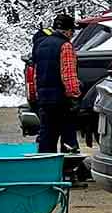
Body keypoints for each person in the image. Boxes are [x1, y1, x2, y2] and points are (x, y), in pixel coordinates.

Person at [33, 13, 81, 153]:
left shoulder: (41, 45)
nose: (72, 35)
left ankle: (46, 168)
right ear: (67, 31)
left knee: (47, 136)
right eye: (72, 32)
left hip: (45, 99)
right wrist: (74, 95)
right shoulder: (65, 45)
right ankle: (69, 170)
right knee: (68, 137)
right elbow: (68, 74)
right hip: (61, 100)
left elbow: (37, 73)